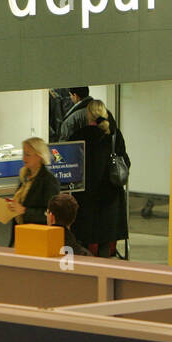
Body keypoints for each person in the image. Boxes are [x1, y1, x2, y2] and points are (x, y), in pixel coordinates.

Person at [72, 100, 129, 258]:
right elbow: (125, 162)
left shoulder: (79, 136)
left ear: (87, 115)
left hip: (85, 198)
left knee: (83, 238)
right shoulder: (114, 136)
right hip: (110, 197)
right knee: (106, 239)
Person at [5, 137, 60, 247]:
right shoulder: (25, 176)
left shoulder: (48, 180)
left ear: (39, 156)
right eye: (23, 153)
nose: (24, 158)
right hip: (21, 234)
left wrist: (24, 211)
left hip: (38, 238)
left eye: (28, 154)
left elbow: (50, 215)